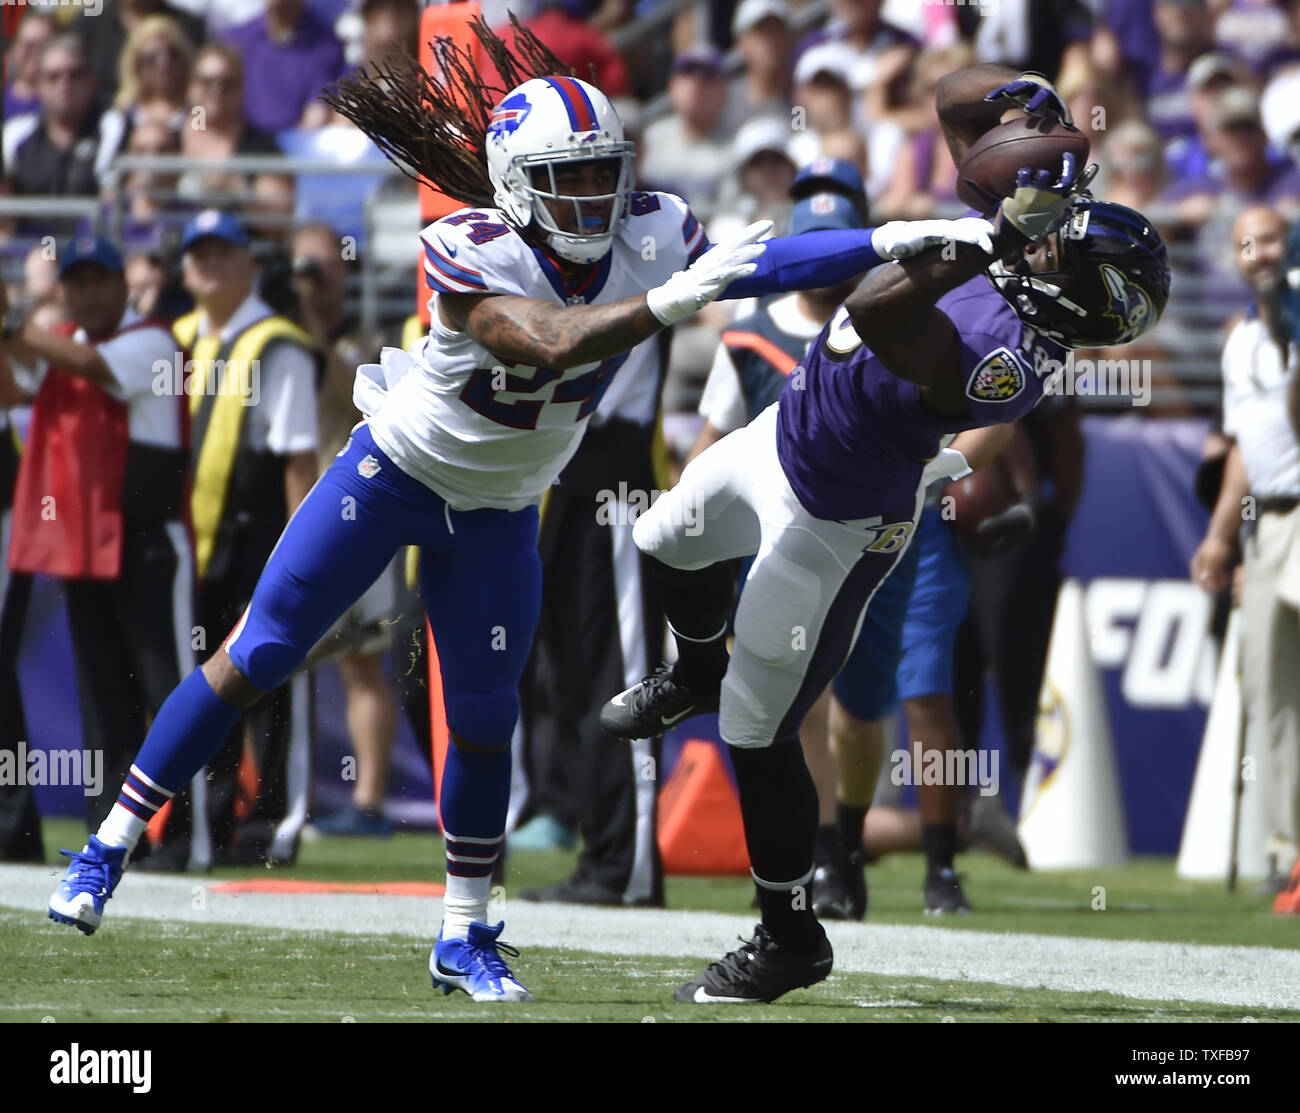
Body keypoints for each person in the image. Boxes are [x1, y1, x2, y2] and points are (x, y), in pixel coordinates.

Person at [46, 23, 994, 1002]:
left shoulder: (651, 232)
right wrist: (665, 307)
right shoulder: (471, 247)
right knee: (259, 651)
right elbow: (543, 342)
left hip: (499, 504)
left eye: (600, 176)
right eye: (567, 179)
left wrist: (889, 239)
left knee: (488, 719)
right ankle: (107, 847)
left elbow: (774, 261)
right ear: (513, 181)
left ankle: (464, 934)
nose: (590, 199)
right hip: (393, 474)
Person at [602, 64, 1170, 1004]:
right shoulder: (1022, 263)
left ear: (1071, 300)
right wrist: (1026, 99)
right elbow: (953, 98)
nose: (1051, 237)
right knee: (662, 537)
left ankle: (789, 935)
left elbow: (870, 308)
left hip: (838, 519)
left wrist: (975, 238)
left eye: (1063, 248)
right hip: (779, 437)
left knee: (757, 727)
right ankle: (694, 667)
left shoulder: (1009, 361)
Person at [3, 238, 192, 853]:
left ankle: (188, 833)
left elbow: (93, 370)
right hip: (86, 544)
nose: (88, 293)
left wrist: (11, 322)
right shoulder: (61, 338)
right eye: (76, 281)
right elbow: (13, 390)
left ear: (122, 286)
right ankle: (112, 838)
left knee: (168, 691)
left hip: (147, 543)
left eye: (99, 280)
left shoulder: (151, 340)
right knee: (102, 696)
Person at [1191, 205, 1300, 893]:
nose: (1258, 253)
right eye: (1245, 244)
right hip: (1268, 523)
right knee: (1268, 687)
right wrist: (1220, 534)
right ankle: (1288, 849)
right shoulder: (1239, 341)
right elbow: (1242, 449)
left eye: (1270, 241)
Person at [220, 0, 346, 135]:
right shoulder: (234, 41)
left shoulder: (327, 46)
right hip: (241, 147)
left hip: (294, 148)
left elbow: (316, 114)